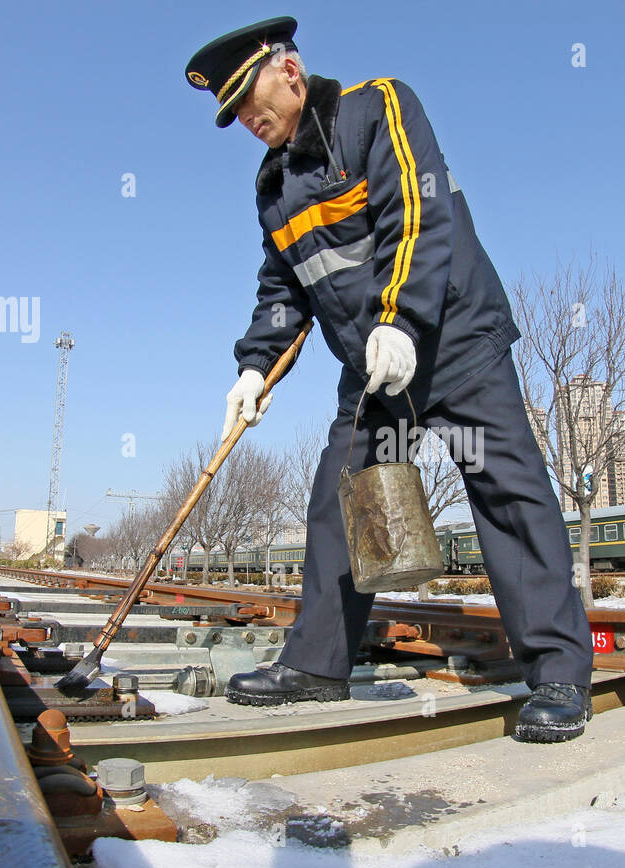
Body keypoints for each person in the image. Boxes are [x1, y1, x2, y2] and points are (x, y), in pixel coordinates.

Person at [185, 17, 594, 741]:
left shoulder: (376, 108)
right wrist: (254, 368)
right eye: (236, 114)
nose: (250, 119)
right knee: (341, 502)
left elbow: (418, 212)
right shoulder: (274, 185)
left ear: (290, 70)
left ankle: (559, 671)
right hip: (371, 367)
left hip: (453, 339)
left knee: (505, 491)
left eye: (253, 99)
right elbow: (284, 288)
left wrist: (400, 318)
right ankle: (316, 665)